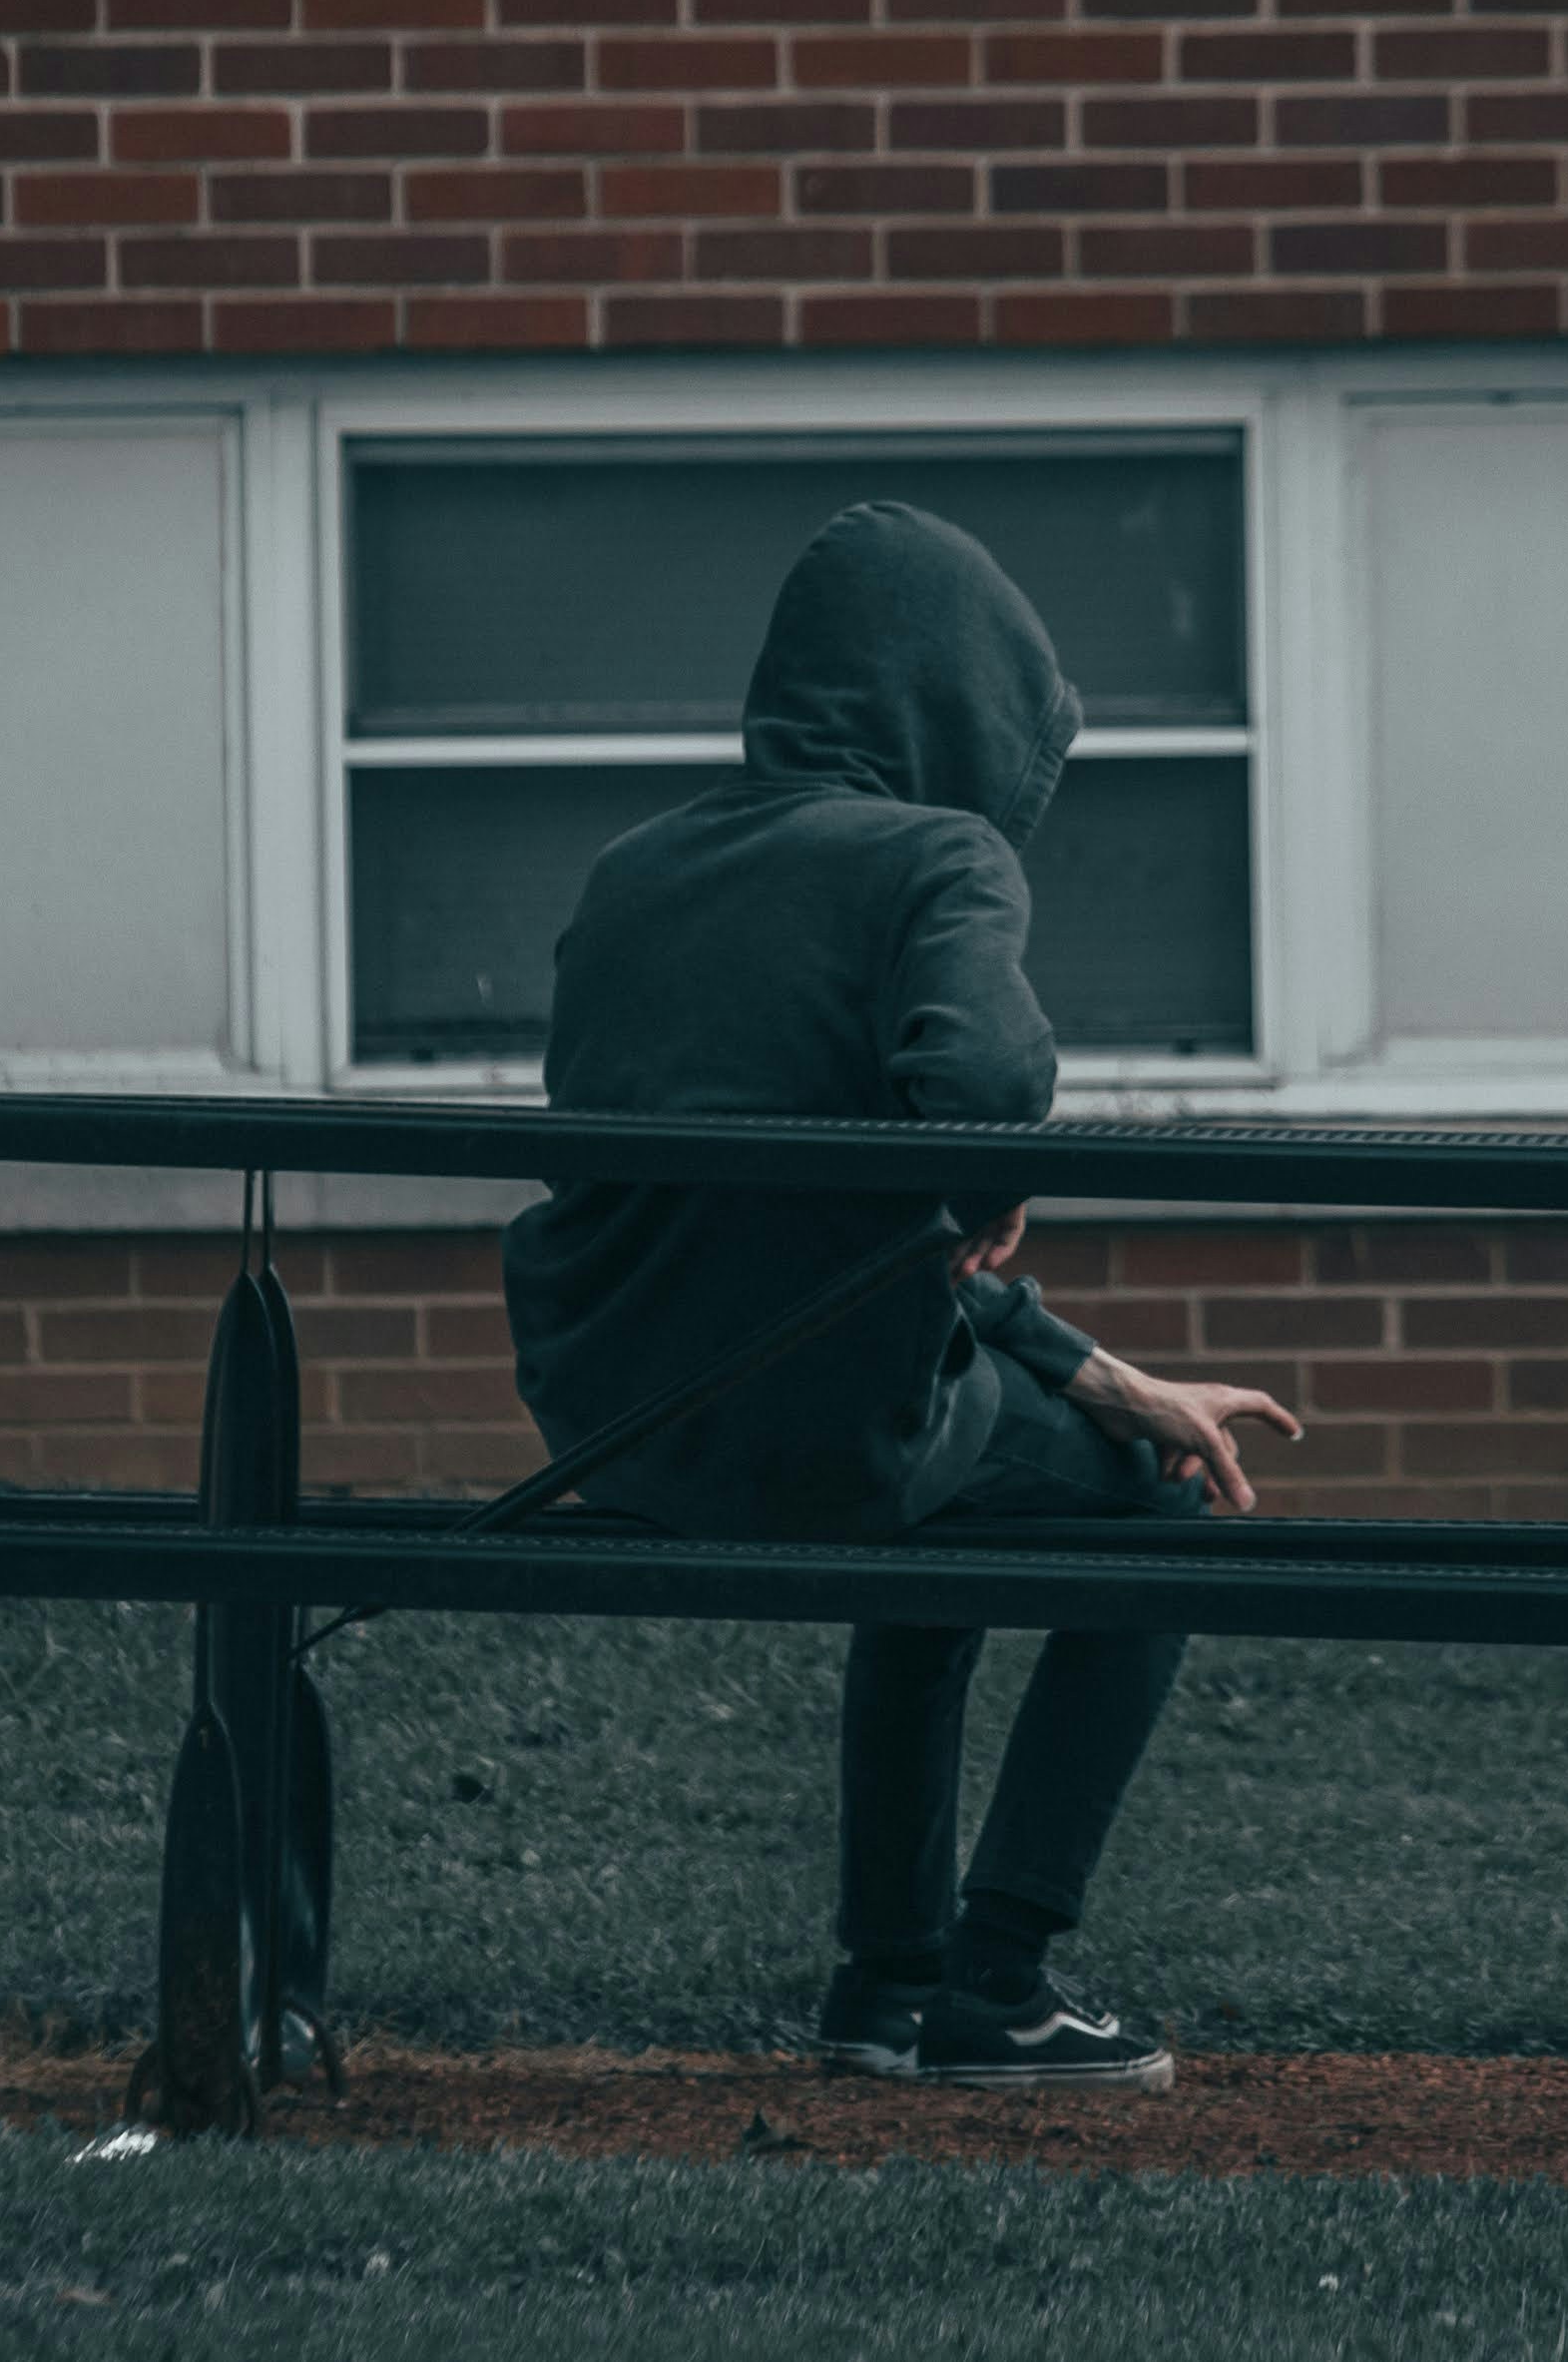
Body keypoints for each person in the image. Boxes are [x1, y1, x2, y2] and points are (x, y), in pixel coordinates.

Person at [499, 500, 1300, 2091]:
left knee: (947, 1521)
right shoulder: (943, 856)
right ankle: (997, 1983)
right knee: (1157, 1519)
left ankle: (886, 1982)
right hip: (828, 1429)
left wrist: (1098, 1370)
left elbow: (792, 1242)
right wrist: (991, 1182)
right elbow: (987, 1090)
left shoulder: (632, 871)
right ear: (963, 707)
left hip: (619, 1420)